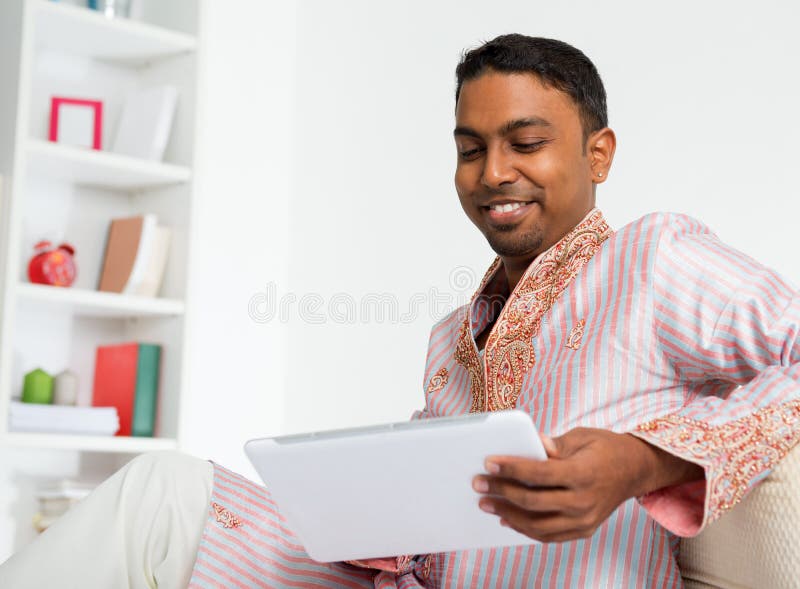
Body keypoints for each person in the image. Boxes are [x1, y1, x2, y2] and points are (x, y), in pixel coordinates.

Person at [2, 33, 799, 588]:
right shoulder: (453, 338)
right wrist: (371, 518)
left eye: (526, 143)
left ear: (599, 153)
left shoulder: (657, 259)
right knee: (159, 495)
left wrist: (644, 460)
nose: (494, 173)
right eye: (469, 147)